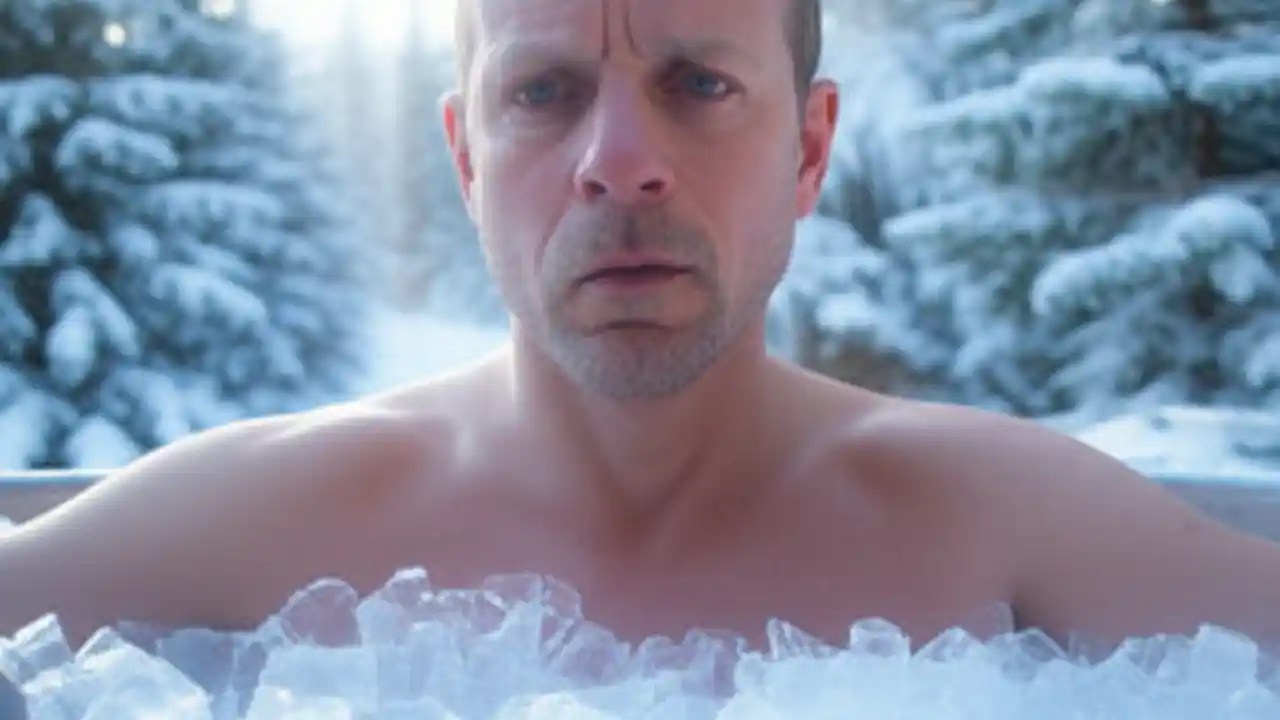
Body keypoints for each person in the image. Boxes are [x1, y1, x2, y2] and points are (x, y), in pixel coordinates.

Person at [3, 0, 1280, 659]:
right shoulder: (273, 522)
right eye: (544, 92)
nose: (619, 164)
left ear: (809, 147)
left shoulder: (999, 523)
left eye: (698, 84)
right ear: (465, 154)